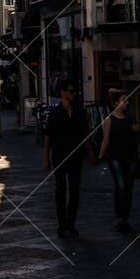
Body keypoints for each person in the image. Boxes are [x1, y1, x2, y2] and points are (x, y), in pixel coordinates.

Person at [43, 80, 90, 237]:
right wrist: (46, 158)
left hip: (76, 156)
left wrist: (90, 152)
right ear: (62, 93)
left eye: (74, 91)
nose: (72, 94)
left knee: (75, 190)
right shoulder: (55, 113)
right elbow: (48, 136)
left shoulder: (81, 112)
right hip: (59, 155)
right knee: (61, 190)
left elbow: (86, 133)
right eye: (69, 91)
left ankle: (71, 223)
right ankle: (62, 224)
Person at [96, 89, 137, 233]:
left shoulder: (129, 117)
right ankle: (119, 216)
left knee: (129, 187)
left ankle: (125, 217)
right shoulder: (109, 120)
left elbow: (136, 135)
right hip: (115, 158)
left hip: (130, 157)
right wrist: (100, 156)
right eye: (123, 100)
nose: (126, 102)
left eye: (127, 100)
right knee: (121, 185)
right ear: (115, 103)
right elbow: (105, 140)